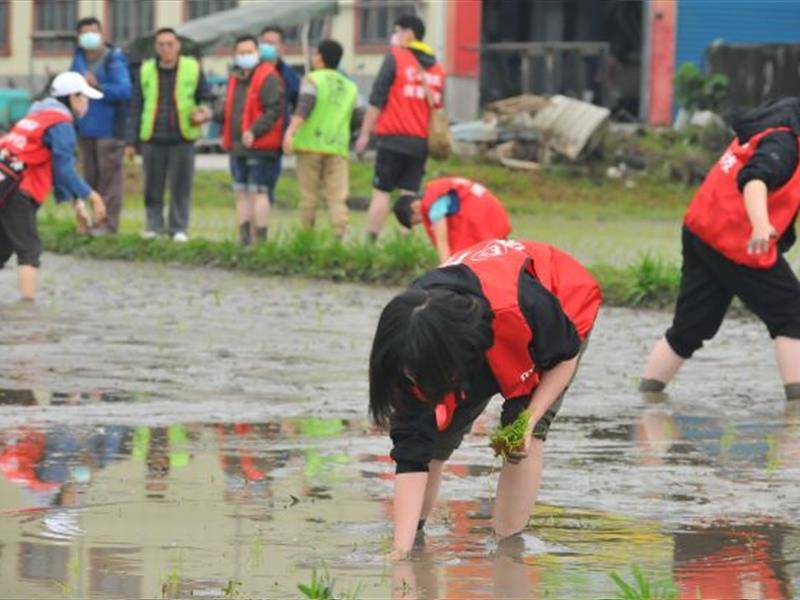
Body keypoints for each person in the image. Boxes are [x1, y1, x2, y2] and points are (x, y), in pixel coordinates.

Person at [369, 238, 602, 559]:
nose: (410, 382)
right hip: (470, 333)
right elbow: (411, 450)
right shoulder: (412, 328)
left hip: (556, 310)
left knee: (520, 437)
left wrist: (530, 417)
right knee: (431, 435)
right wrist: (400, 554)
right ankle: (414, 538)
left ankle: (508, 546)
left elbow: (565, 356)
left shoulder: (526, 305)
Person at [640, 97, 800, 400]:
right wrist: (761, 224)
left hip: (702, 228)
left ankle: (646, 401)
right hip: (738, 238)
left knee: (689, 329)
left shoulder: (780, 115)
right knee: (793, 316)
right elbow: (755, 180)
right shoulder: (785, 142)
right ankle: (796, 417)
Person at [0, 72, 106, 300]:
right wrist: (92, 196)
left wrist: (77, 204)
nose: (86, 104)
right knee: (29, 250)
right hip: (17, 190)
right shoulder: (61, 124)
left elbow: (56, 168)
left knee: (3, 247)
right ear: (73, 97)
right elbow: (65, 169)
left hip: (6, 185)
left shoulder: (38, 115)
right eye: (84, 98)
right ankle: (28, 316)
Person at [355, 15, 446, 242]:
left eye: (397, 31)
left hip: (392, 139)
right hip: (420, 143)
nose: (394, 36)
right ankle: (404, 244)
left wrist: (365, 134)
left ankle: (370, 242)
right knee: (410, 196)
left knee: (382, 192)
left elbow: (376, 100)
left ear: (409, 33)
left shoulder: (396, 57)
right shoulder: (437, 69)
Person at [125, 27, 212, 242]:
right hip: (153, 137)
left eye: (170, 44)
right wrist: (130, 141)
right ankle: (154, 226)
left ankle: (178, 228)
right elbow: (135, 107)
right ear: (156, 47)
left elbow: (207, 97)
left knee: (181, 186)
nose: (166, 49)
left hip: (183, 137)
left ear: (178, 46)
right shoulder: (145, 70)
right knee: (152, 186)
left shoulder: (193, 68)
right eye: (161, 45)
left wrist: (204, 111)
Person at [283, 39, 358, 239]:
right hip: (338, 147)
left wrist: (290, 131)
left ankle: (307, 238)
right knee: (338, 197)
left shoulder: (313, 79)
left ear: (321, 58)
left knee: (309, 196)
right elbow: (356, 116)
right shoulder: (350, 86)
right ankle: (338, 237)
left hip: (310, 146)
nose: (314, 57)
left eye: (316, 54)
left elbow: (304, 107)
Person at [219, 34, 285, 245]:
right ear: (235, 54)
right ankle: (244, 239)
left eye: (250, 52)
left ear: (257, 53)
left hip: (261, 145)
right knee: (241, 191)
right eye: (241, 52)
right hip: (237, 145)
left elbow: (274, 110)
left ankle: (260, 240)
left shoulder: (269, 77)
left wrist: (254, 131)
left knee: (259, 191)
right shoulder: (235, 77)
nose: (246, 56)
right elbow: (228, 109)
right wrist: (210, 114)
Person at [69, 16, 131, 235]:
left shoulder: (114, 59)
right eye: (85, 33)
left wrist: (98, 86)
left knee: (109, 180)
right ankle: (88, 223)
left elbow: (124, 90)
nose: (90, 36)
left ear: (103, 34)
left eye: (93, 31)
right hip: (85, 128)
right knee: (88, 179)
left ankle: (108, 225)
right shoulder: (77, 60)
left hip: (109, 130)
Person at [393, 177, 511, 263]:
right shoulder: (438, 189)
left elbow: (442, 241)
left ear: (415, 207)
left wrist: (445, 274)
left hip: (483, 220)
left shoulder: (434, 205)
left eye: (417, 221)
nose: (423, 222)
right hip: (494, 215)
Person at [259, 25, 301, 205]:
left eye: (272, 43)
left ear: (282, 48)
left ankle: (263, 220)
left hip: (276, 139)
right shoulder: (250, 70)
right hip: (251, 136)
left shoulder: (289, 75)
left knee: (268, 183)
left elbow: (298, 105)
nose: (267, 47)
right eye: (264, 43)